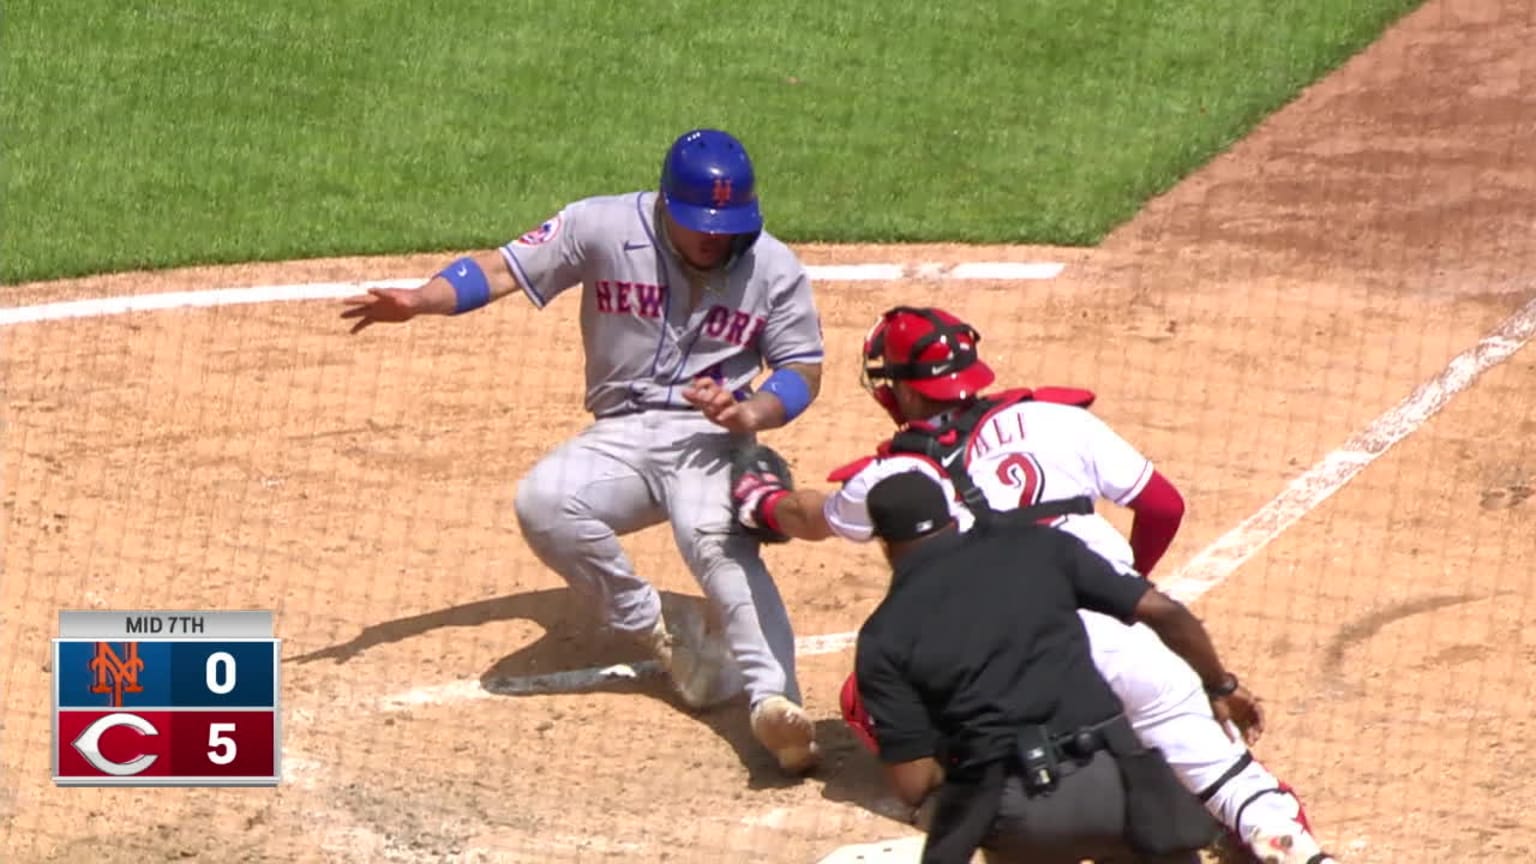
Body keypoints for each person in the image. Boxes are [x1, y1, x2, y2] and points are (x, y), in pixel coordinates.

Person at [730, 305, 1339, 859]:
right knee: (1233, 779)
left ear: (903, 394)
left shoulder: (896, 476)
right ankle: (1278, 838)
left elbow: (812, 518)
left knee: (865, 698)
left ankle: (993, 796)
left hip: (1019, 675)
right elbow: (1164, 507)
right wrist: (1121, 582)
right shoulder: (1055, 420)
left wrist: (761, 501)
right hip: (1134, 643)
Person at [340, 128, 824, 775]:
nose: (714, 237)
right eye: (700, 223)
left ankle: (774, 703)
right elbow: (499, 268)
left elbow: (802, 369)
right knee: (544, 502)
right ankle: (663, 624)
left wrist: (751, 411)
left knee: (713, 543)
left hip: (712, 441)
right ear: (666, 205)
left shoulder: (773, 266)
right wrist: (419, 301)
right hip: (620, 435)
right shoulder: (600, 225)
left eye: (727, 224)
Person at [855, 470, 1228, 864]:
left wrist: (958, 754)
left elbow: (913, 785)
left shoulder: (884, 634)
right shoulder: (1037, 545)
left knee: (966, 807)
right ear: (952, 518)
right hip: (1125, 789)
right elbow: (1165, 612)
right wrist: (1221, 687)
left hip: (1022, 817)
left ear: (883, 543)